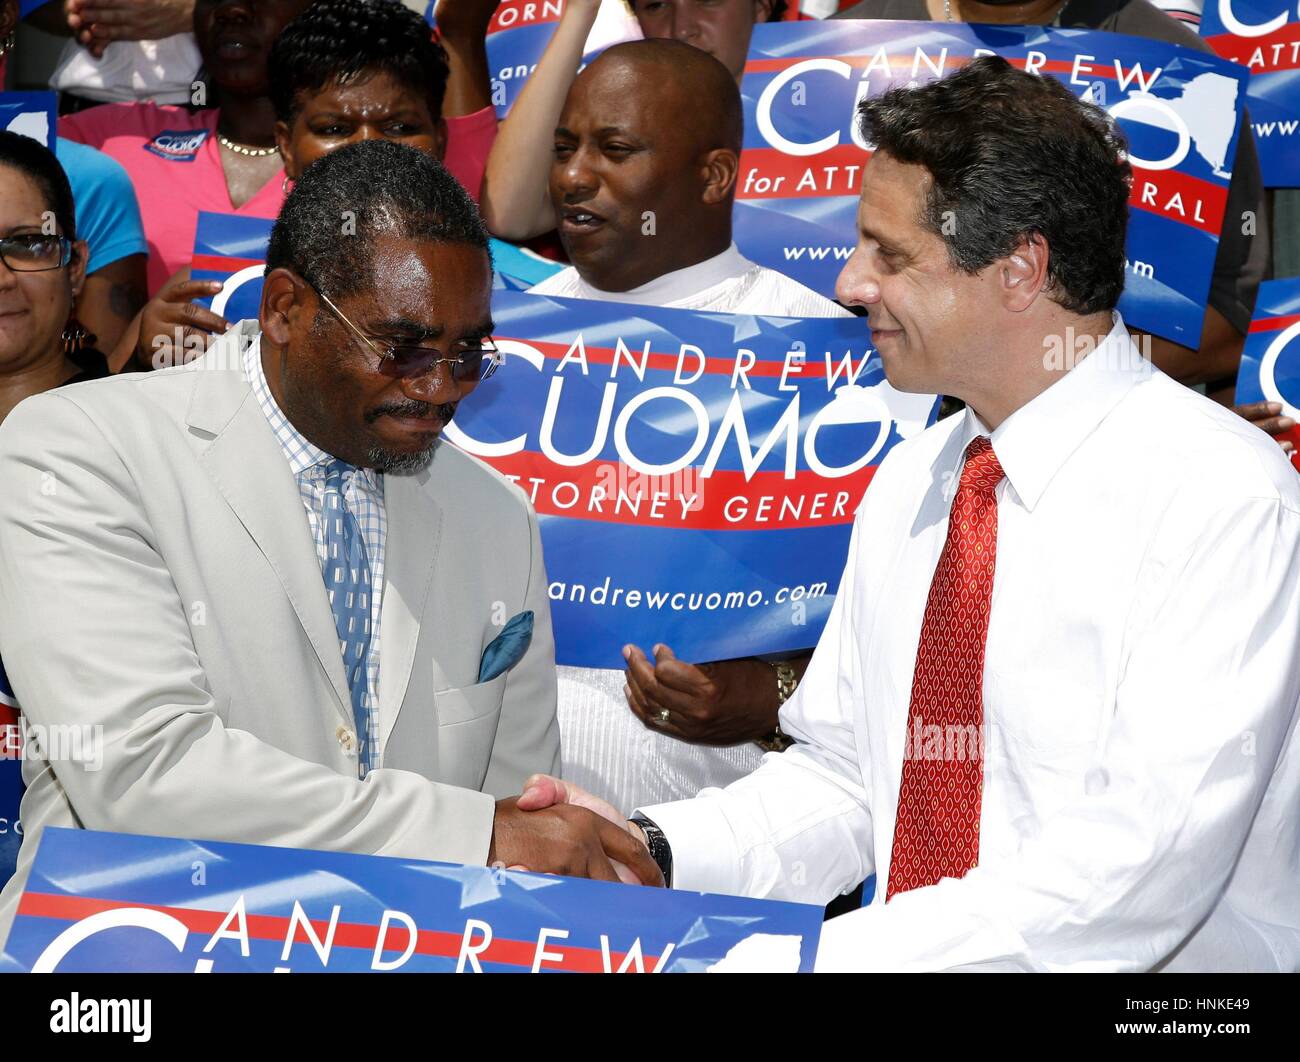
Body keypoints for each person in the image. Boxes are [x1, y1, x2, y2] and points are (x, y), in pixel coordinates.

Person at [524, 57, 1300, 971]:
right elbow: (849, 778)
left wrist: (817, 964)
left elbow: (1134, 874)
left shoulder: (1222, 501)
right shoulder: (915, 479)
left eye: (889, 253)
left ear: (1021, 270)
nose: (851, 283)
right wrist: (651, 850)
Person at [0, 139, 660, 944]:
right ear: (284, 309)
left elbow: (522, 815)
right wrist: (476, 835)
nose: (442, 385)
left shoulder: (497, 519)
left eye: (468, 351)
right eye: (404, 346)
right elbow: (145, 774)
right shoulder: (79, 449)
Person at [528, 40, 855, 818]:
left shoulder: (821, 359)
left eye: (614, 150)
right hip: (501, 826)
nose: (574, 176)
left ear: (713, 176)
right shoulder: (503, 336)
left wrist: (772, 695)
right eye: (565, 148)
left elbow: (882, 639)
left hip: (719, 851)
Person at [831, 0, 1270, 416]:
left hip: (1095, 443)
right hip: (851, 435)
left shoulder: (1182, 67)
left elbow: (1232, 322)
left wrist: (1046, 365)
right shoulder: (838, 51)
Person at [106, 0, 501, 368]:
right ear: (286, 148)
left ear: (442, 141)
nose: (368, 148)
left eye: (400, 127)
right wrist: (145, 360)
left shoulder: (507, 292)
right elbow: (101, 419)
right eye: (334, 128)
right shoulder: (211, 286)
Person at [0, 132, 112, 885]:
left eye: (25, 245)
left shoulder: (141, 440)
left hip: (78, 861)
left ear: (74, 267)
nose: (2, 276)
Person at [481, 0, 783, 240]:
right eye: (657, 6)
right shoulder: (624, 129)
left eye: (708, 1)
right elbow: (510, 217)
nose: (682, 28)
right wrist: (580, 12)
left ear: (760, 7)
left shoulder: (822, 105)